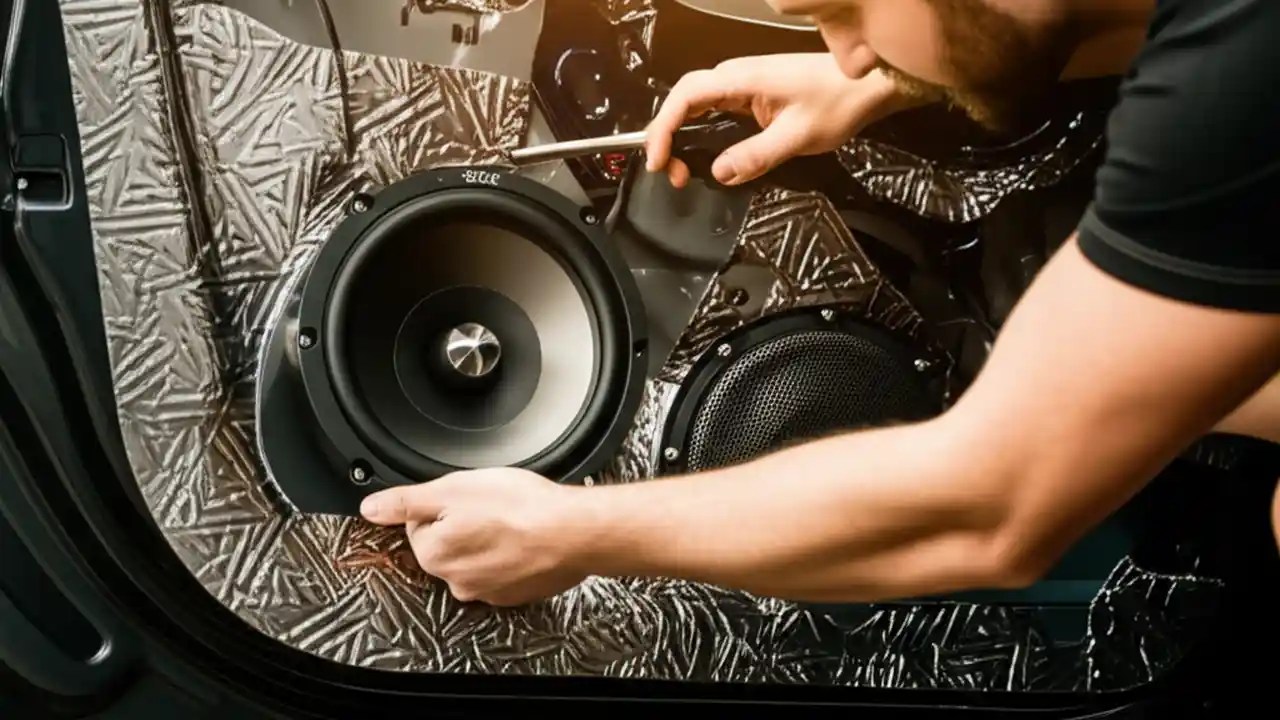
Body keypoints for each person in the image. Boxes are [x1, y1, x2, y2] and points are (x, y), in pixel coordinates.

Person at [359, 0, 1280, 608]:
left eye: (841, 11)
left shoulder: (1238, 80)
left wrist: (572, 534)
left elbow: (991, 510)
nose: (838, 44)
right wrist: (880, 80)